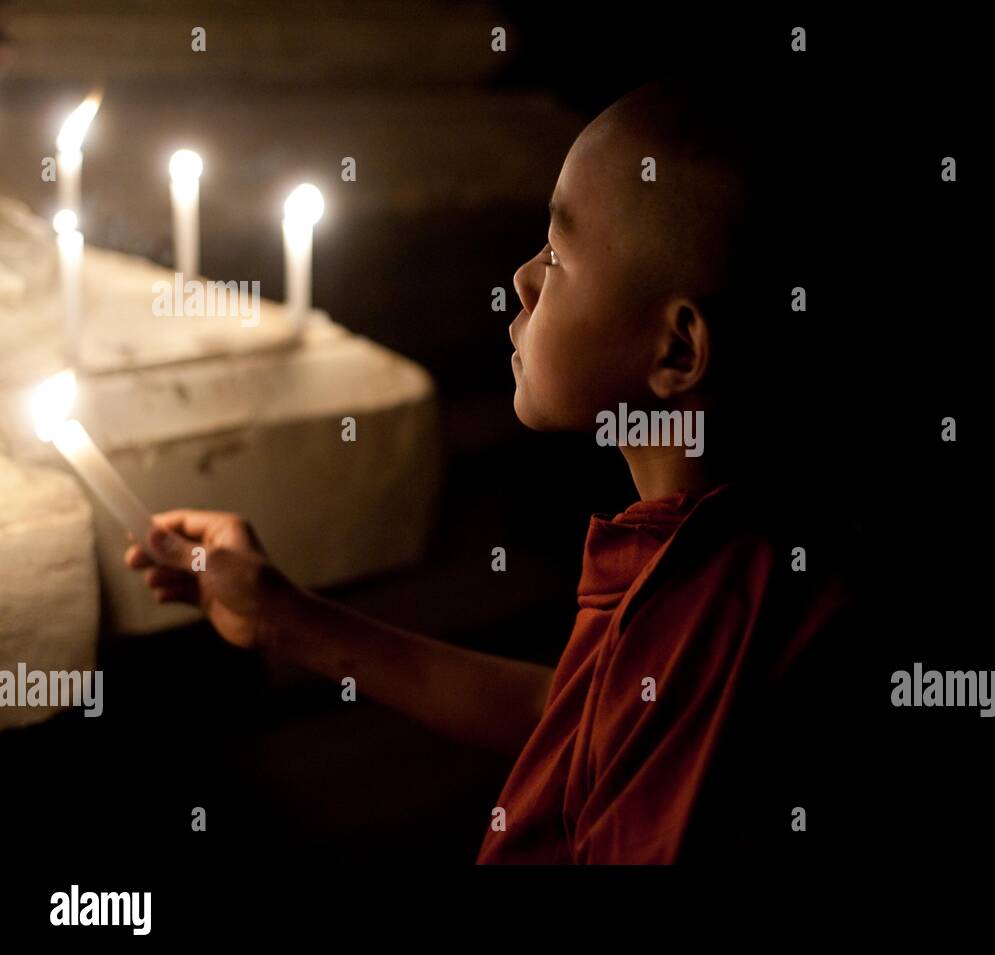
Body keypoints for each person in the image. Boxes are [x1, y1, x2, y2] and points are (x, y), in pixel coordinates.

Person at [126, 75, 858, 863]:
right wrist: (284, 616)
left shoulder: (726, 607)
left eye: (559, 251)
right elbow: (585, 720)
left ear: (677, 350)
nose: (523, 278)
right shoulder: (694, 560)